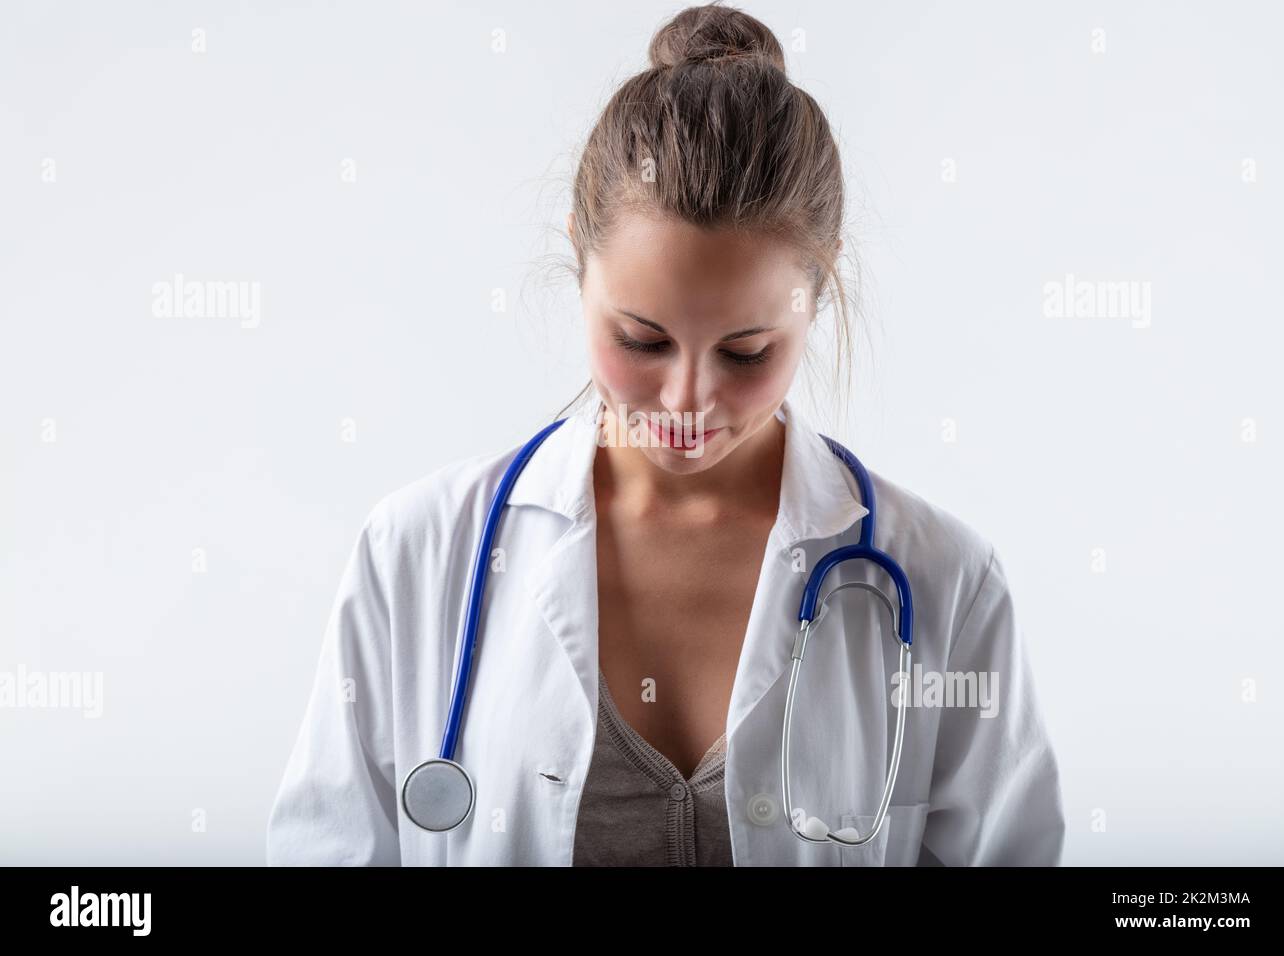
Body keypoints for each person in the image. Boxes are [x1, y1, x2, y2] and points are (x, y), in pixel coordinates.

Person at [266, 2, 1065, 867]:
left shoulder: (944, 581)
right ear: (579, 259)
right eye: (641, 339)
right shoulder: (417, 554)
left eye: (747, 350)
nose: (686, 397)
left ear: (820, 288)